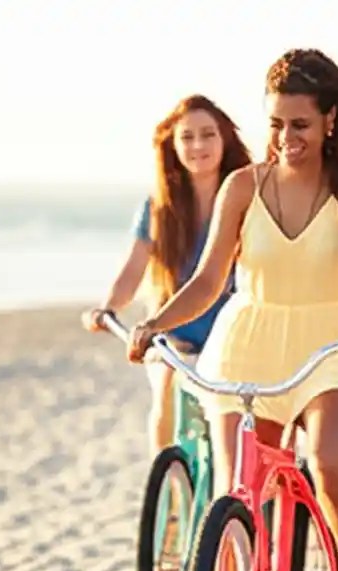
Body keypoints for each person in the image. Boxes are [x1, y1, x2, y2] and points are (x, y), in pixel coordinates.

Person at [126, 48, 338, 571]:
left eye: (299, 124)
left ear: (330, 120)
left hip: (336, 343)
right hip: (250, 339)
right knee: (240, 489)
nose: (285, 137)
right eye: (275, 124)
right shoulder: (242, 186)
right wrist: (155, 325)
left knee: (329, 458)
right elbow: (206, 281)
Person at [82, 95, 252, 453]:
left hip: (230, 332)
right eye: (187, 137)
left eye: (208, 135)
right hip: (172, 332)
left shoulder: (246, 200)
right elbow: (133, 268)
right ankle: (169, 488)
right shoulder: (159, 207)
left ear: (225, 140)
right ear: (173, 146)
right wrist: (107, 307)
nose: (198, 145)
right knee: (166, 390)